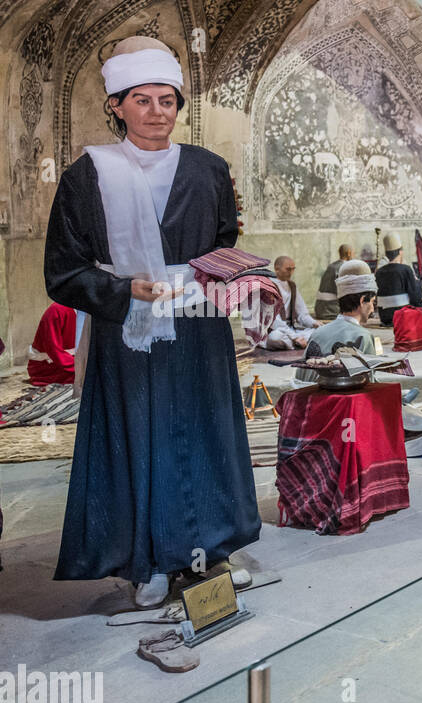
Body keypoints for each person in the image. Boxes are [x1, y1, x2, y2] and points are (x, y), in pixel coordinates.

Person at [44, 35, 260, 610]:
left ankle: (212, 552)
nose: (157, 113)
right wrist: (121, 290)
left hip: (194, 324)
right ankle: (147, 564)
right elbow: (63, 273)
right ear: (116, 104)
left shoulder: (209, 169)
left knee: (207, 432)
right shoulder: (87, 175)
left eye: (167, 101)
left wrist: (236, 279)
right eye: (142, 101)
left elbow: (222, 246)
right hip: (128, 330)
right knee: (141, 437)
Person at [375, 231, 422, 328]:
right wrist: (421, 306)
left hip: (385, 318)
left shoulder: (379, 271)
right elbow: (415, 297)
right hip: (403, 316)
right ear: (400, 252)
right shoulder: (405, 269)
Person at [263, 255, 317, 350]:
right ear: (277, 269)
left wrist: (314, 323)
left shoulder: (292, 286)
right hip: (274, 330)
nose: (291, 272)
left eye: (293, 269)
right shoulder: (268, 287)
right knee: (275, 338)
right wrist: (295, 337)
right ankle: (298, 342)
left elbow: (302, 314)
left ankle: (295, 343)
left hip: (290, 330)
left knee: (318, 331)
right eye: (288, 269)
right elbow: (275, 321)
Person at [26, 303, 84, 386]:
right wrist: (81, 367)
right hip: (48, 365)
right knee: (91, 376)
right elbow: (54, 350)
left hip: (71, 360)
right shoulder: (56, 310)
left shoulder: (84, 309)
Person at [314, 243, 352, 322]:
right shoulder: (344, 268)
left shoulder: (331, 266)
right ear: (349, 253)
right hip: (331, 311)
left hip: (319, 309)